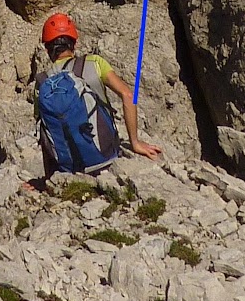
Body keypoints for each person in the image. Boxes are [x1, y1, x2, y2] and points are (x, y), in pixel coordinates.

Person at [33, 12, 161, 181]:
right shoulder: (94, 62)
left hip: (68, 169)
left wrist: (50, 180)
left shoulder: (42, 82)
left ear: (48, 48)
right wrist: (135, 142)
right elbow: (128, 95)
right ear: (74, 43)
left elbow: (44, 132)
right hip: (106, 158)